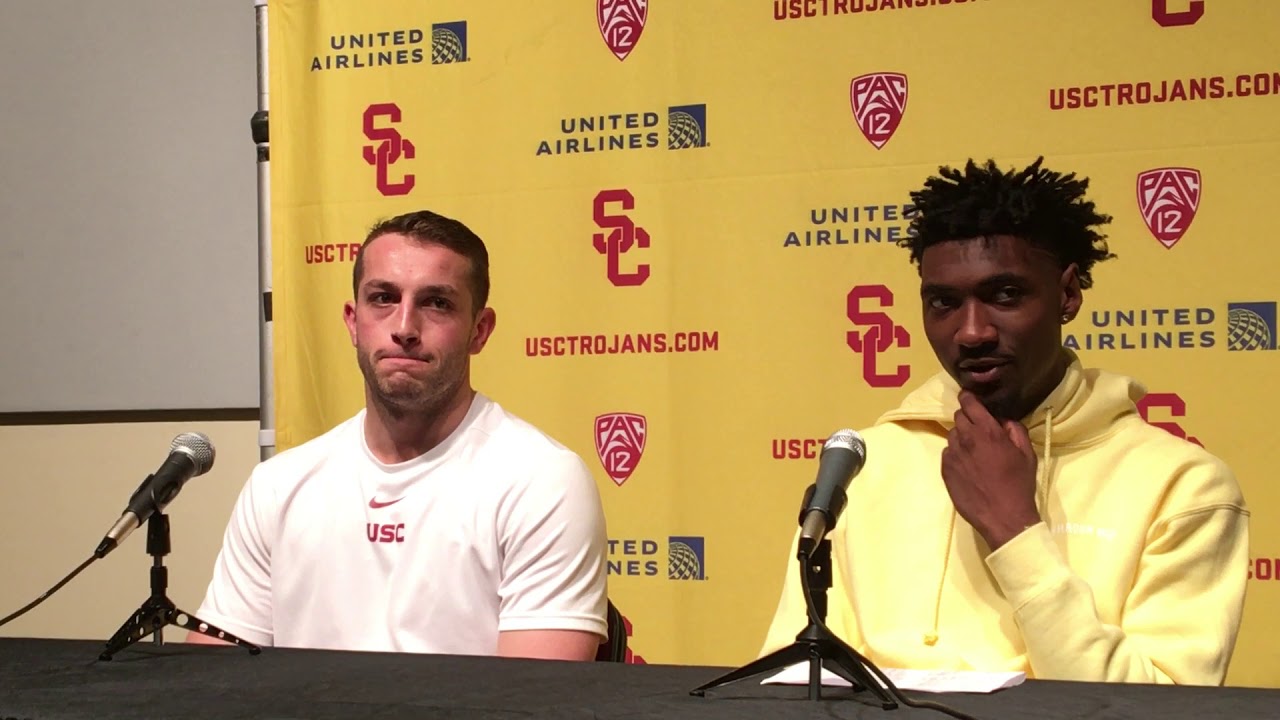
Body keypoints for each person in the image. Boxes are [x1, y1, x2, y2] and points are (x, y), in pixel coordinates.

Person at [759, 157, 1250, 684]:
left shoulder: (1185, 486)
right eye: (943, 302)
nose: (972, 332)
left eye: (1005, 295)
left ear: (1067, 294)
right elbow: (793, 682)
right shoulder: (867, 465)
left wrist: (1015, 531)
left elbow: (1163, 706)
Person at [187, 210, 609, 660]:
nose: (405, 327)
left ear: (480, 331)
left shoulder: (542, 481)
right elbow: (214, 677)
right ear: (353, 322)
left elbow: (535, 694)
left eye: (436, 303)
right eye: (383, 298)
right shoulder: (278, 485)